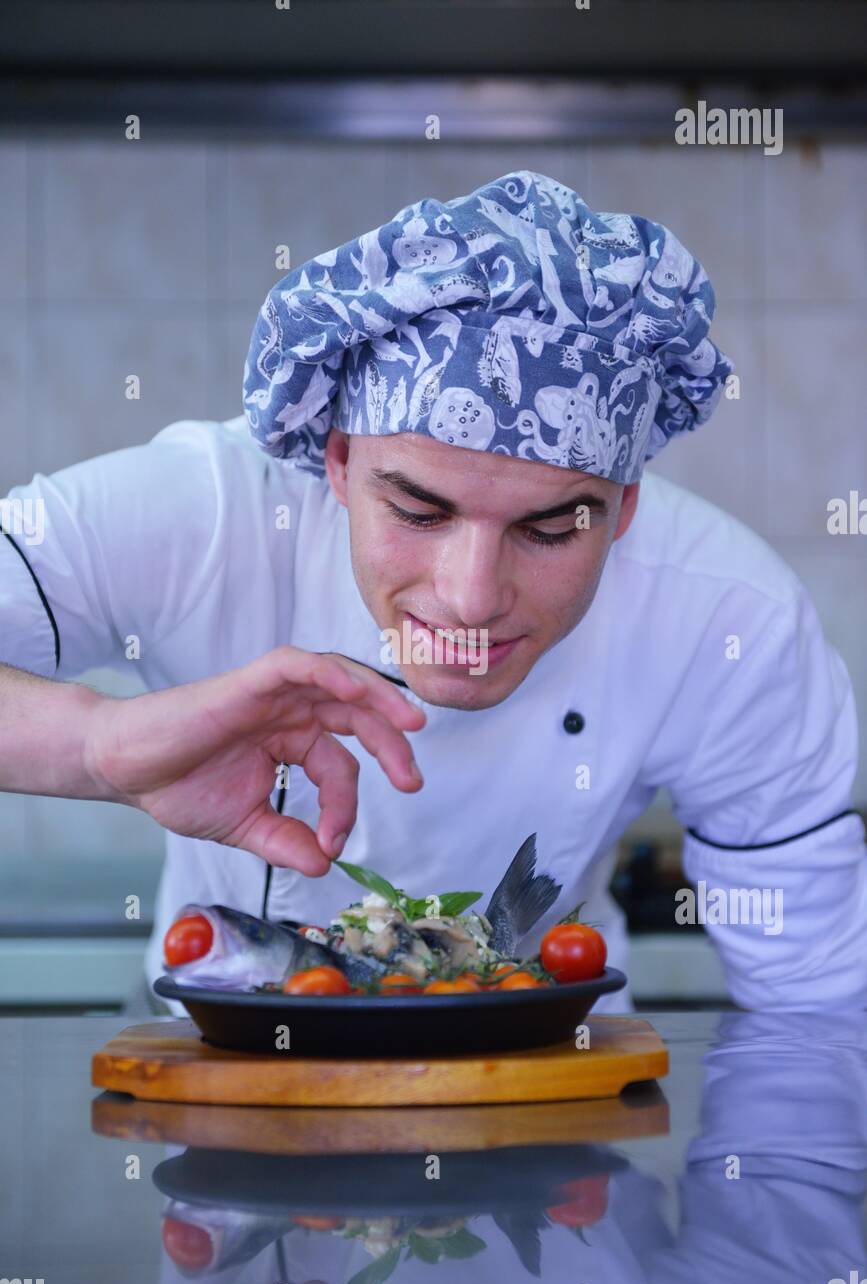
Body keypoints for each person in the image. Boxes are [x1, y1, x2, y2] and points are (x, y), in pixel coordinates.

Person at [1, 170, 864, 1015]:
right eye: (418, 511)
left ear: (623, 506)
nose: (472, 597)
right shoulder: (209, 511)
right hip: (223, 1080)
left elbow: (818, 1003)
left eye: (551, 528)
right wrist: (100, 748)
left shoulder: (727, 615)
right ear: (337, 462)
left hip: (554, 1103)